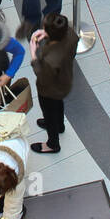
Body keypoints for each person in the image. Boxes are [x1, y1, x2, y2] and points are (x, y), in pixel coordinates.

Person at [28, 13, 78, 155]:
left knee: (49, 112)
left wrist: (33, 54)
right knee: (58, 104)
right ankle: (59, 125)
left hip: (49, 89)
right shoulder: (71, 36)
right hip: (64, 81)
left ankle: (52, 144)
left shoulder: (51, 58)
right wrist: (48, 32)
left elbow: (42, 75)